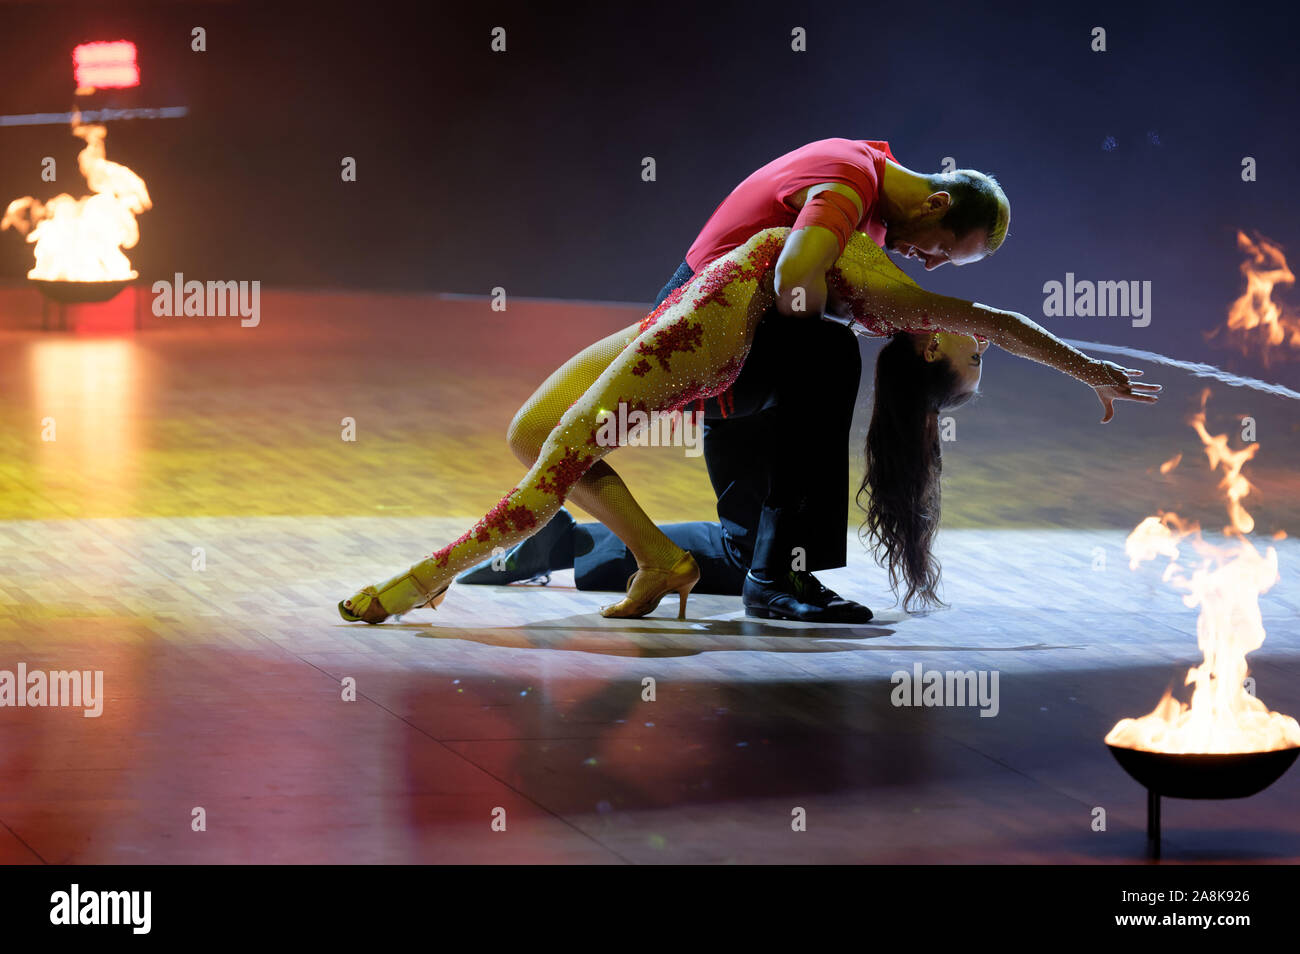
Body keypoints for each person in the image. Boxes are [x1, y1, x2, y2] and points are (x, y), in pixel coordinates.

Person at [338, 227, 1159, 624]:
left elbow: (1001, 320)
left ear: (933, 348)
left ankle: (583, 547)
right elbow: (998, 319)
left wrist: (1089, 368)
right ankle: (743, 570)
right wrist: (1090, 368)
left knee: (742, 536)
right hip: (717, 359)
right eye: (982, 356)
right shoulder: (867, 241)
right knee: (540, 438)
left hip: (731, 373)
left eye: (975, 356)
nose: (983, 345)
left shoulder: (897, 298)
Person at [462, 138, 1013, 623]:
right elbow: (794, 284)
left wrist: (893, 318)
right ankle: (780, 579)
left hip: (749, 364)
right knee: (829, 351)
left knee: (746, 553)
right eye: (944, 251)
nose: (931, 264)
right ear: (936, 203)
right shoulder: (849, 180)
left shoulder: (869, 198)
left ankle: (573, 542)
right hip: (704, 352)